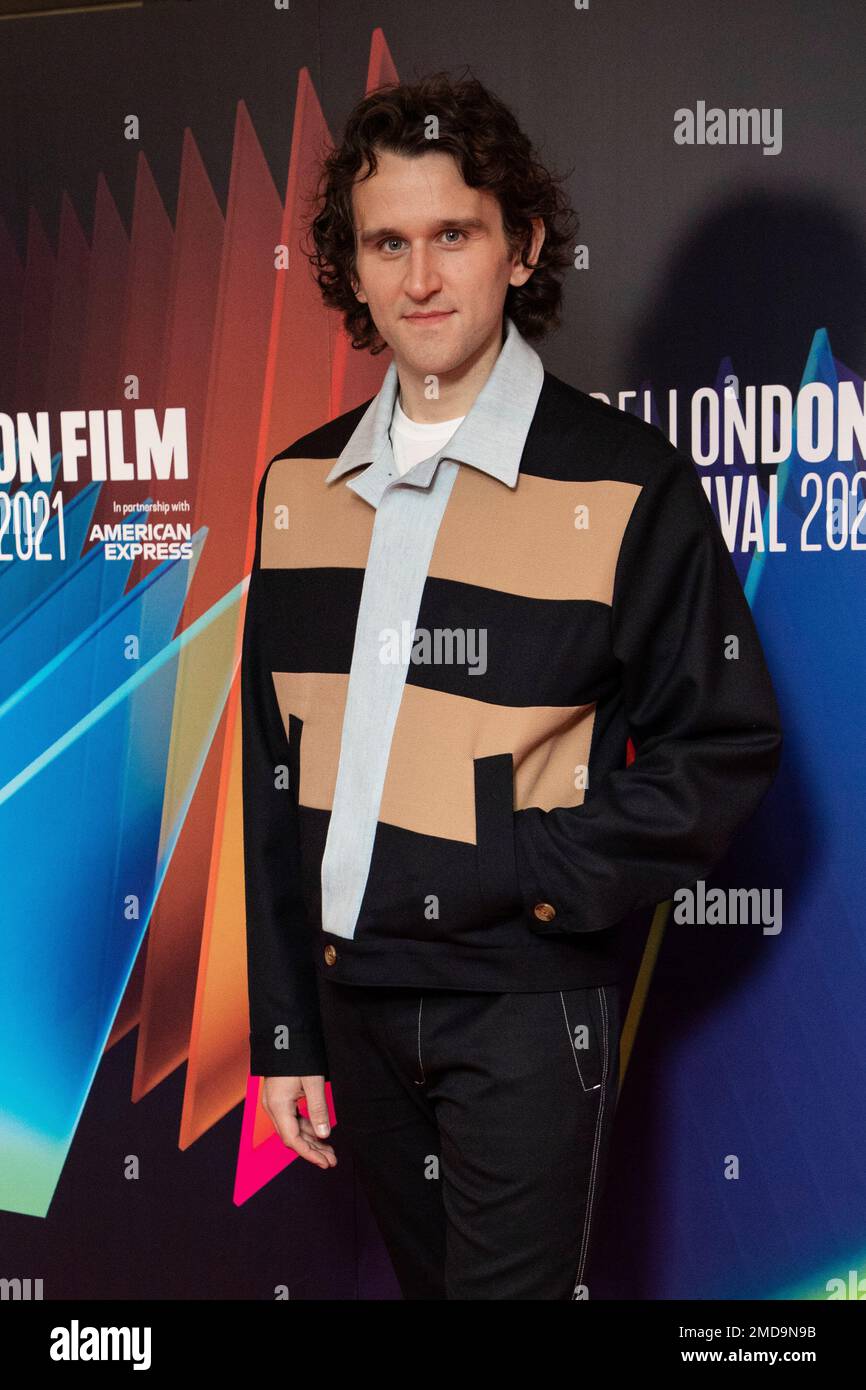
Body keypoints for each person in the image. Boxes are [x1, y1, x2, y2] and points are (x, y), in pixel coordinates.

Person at [240, 71, 783, 1300]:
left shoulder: (625, 479)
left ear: (520, 246)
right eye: (388, 242)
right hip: (354, 1008)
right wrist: (284, 1025)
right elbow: (273, 777)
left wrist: (518, 869)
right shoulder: (294, 487)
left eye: (453, 235)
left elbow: (722, 747)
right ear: (351, 265)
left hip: (526, 1015)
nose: (420, 278)